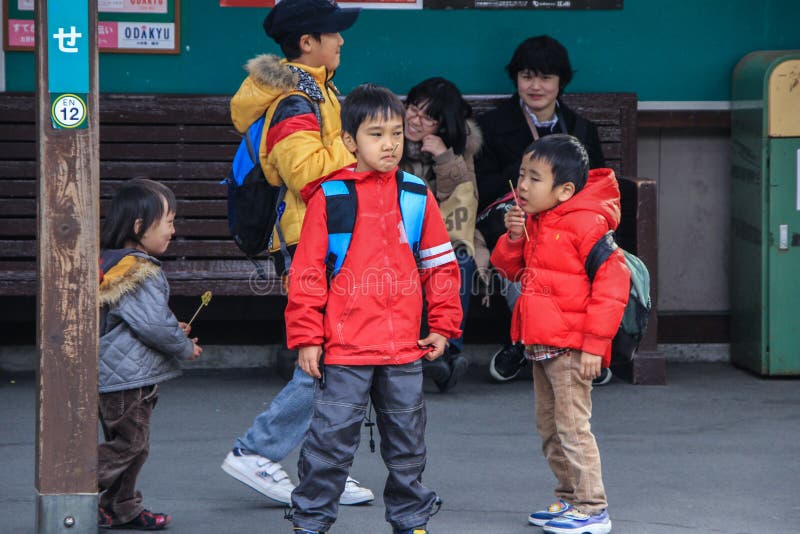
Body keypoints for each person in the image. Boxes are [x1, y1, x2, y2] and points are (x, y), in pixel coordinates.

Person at [286, 84, 462, 534]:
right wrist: (307, 337)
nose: (390, 144)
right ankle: (310, 523)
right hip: (344, 349)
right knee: (328, 445)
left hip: (405, 348)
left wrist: (442, 325)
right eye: (376, 134)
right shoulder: (332, 197)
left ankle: (411, 522)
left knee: (408, 446)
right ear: (350, 142)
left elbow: (440, 266)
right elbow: (307, 274)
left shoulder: (416, 195)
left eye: (397, 134)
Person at [220, 0, 374, 507]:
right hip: (310, 244)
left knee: (338, 354)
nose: (342, 41)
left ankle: (321, 469)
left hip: (329, 238)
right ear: (307, 42)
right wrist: (357, 144)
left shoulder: (317, 89)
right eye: (334, 33)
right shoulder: (294, 100)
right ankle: (257, 451)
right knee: (327, 356)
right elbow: (307, 175)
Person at [491, 135, 627, 534]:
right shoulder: (537, 221)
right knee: (550, 427)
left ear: (565, 190)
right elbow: (509, 270)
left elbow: (612, 285)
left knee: (572, 427)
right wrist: (514, 237)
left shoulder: (586, 223)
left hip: (570, 346)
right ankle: (569, 499)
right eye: (521, 176)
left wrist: (595, 345)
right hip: (542, 344)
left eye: (535, 178)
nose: (523, 187)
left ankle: (592, 508)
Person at [474, 35, 610, 385]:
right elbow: (484, 188)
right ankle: (524, 341)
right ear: (516, 78)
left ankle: (585, 348)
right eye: (527, 76)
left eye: (545, 78)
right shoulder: (491, 127)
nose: (535, 86)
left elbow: (596, 186)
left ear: (560, 82)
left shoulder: (581, 130)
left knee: (586, 251)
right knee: (526, 251)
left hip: (570, 225)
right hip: (512, 220)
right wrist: (529, 172)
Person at [96, 178, 204, 530]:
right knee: (129, 443)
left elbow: (138, 321)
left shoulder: (116, 263)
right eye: (169, 221)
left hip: (124, 374)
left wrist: (173, 328)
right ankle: (70, 484)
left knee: (135, 446)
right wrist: (184, 346)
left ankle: (120, 506)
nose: (173, 230)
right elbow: (154, 325)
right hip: (126, 380)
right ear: (139, 227)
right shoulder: (137, 270)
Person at [400, 77, 482, 393]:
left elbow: (462, 200)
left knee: (460, 259)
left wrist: (444, 159)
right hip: (396, 233)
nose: (415, 120)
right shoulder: (386, 137)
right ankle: (440, 361)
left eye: (428, 116)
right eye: (413, 109)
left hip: (443, 235)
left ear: (443, 124)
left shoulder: (456, 151)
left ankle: (446, 350)